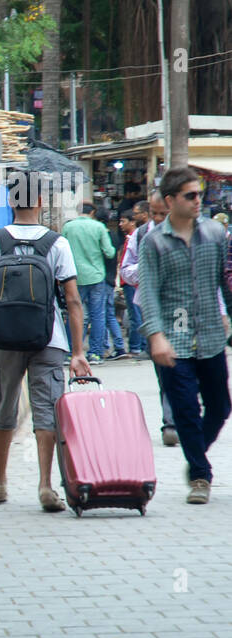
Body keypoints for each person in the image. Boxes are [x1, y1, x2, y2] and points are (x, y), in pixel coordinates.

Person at [0, 169, 91, 513]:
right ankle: (46, 486)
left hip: (5, 340)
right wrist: (78, 352)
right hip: (49, 339)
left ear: (9, 201)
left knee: (4, 406)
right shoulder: (56, 242)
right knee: (47, 409)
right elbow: (73, 300)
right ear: (39, 201)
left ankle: (1, 482)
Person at [138, 166, 232, 505]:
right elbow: (147, 291)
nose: (198, 201)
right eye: (190, 196)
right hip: (173, 341)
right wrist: (155, 335)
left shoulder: (215, 235)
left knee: (221, 406)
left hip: (209, 336)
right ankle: (199, 474)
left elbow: (226, 282)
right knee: (185, 411)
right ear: (170, 200)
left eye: (200, 194)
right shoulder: (153, 243)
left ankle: (196, 452)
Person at [121, 192, 180, 445]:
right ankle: (171, 421)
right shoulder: (141, 234)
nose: (157, 219)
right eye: (153, 214)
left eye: (162, 214)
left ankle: (181, 416)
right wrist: (145, 269)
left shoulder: (187, 232)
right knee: (163, 365)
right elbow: (126, 270)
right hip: (151, 307)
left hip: (182, 308)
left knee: (183, 360)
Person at [61, 200, 116, 363]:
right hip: (96, 276)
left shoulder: (68, 227)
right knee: (98, 315)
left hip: (74, 278)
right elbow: (110, 252)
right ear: (92, 213)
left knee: (74, 313)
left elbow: (62, 251)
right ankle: (95, 353)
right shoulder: (99, 227)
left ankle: (70, 352)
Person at [94, 205, 128, 358]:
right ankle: (118, 346)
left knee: (101, 314)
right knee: (108, 314)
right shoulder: (114, 235)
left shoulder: (102, 234)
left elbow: (109, 254)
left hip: (102, 278)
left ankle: (106, 347)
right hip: (110, 277)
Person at [117, 208, 147, 356]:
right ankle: (140, 345)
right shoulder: (133, 237)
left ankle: (137, 346)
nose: (120, 224)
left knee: (136, 316)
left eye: (123, 221)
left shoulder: (137, 236)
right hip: (129, 281)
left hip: (133, 283)